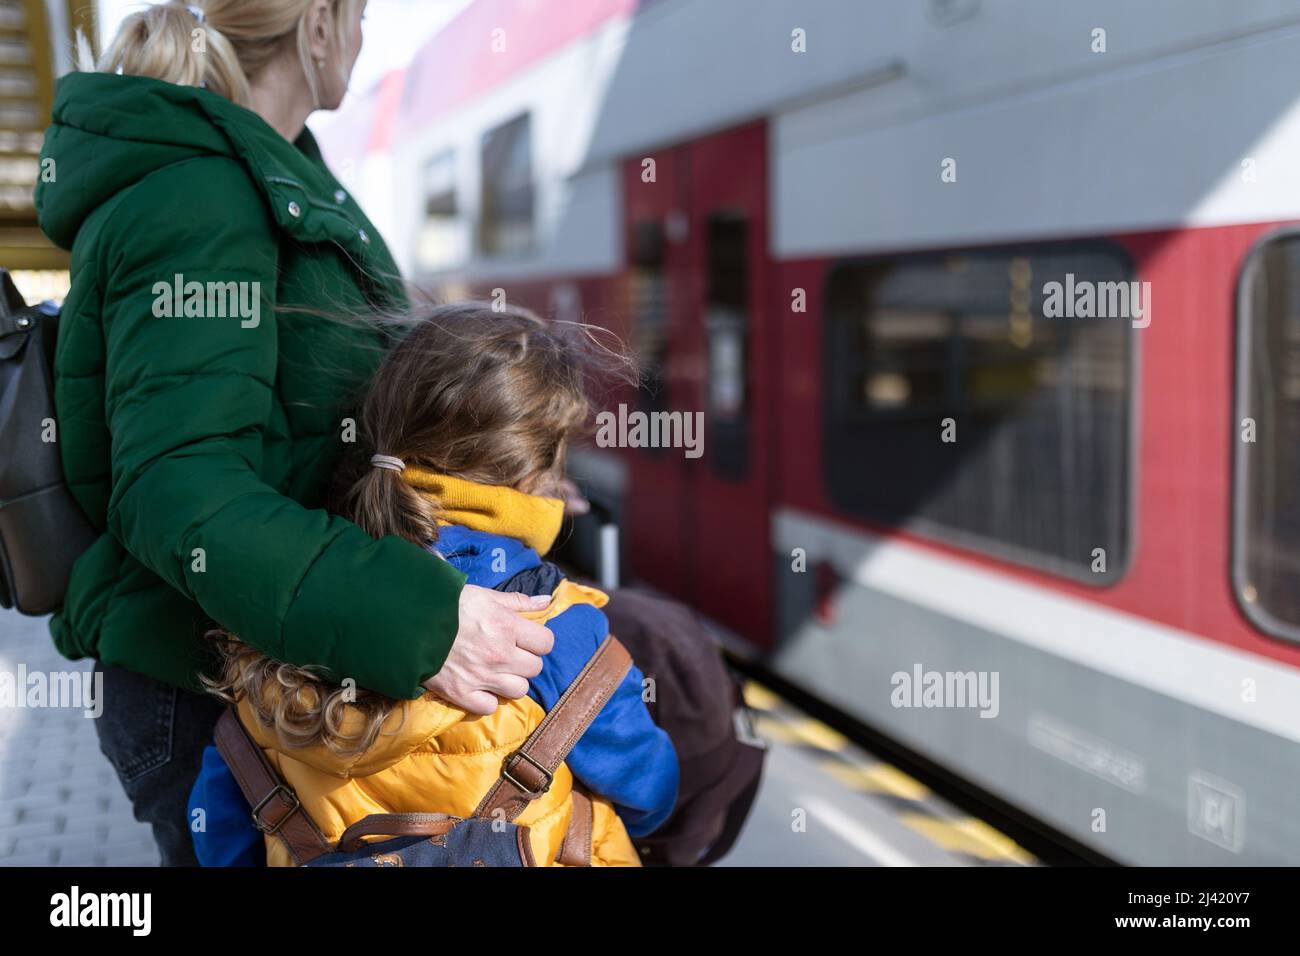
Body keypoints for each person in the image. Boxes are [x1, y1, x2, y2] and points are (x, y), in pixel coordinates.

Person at [33, 0, 552, 866]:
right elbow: (179, 492)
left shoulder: (262, 180)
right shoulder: (201, 196)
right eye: (357, 16)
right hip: (207, 693)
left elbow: (305, 437)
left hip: (262, 671)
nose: (364, 38)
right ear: (317, 25)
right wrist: (425, 623)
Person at [189, 304, 679, 866]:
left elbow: (221, 820)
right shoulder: (557, 622)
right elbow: (647, 788)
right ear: (535, 471)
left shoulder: (296, 600)